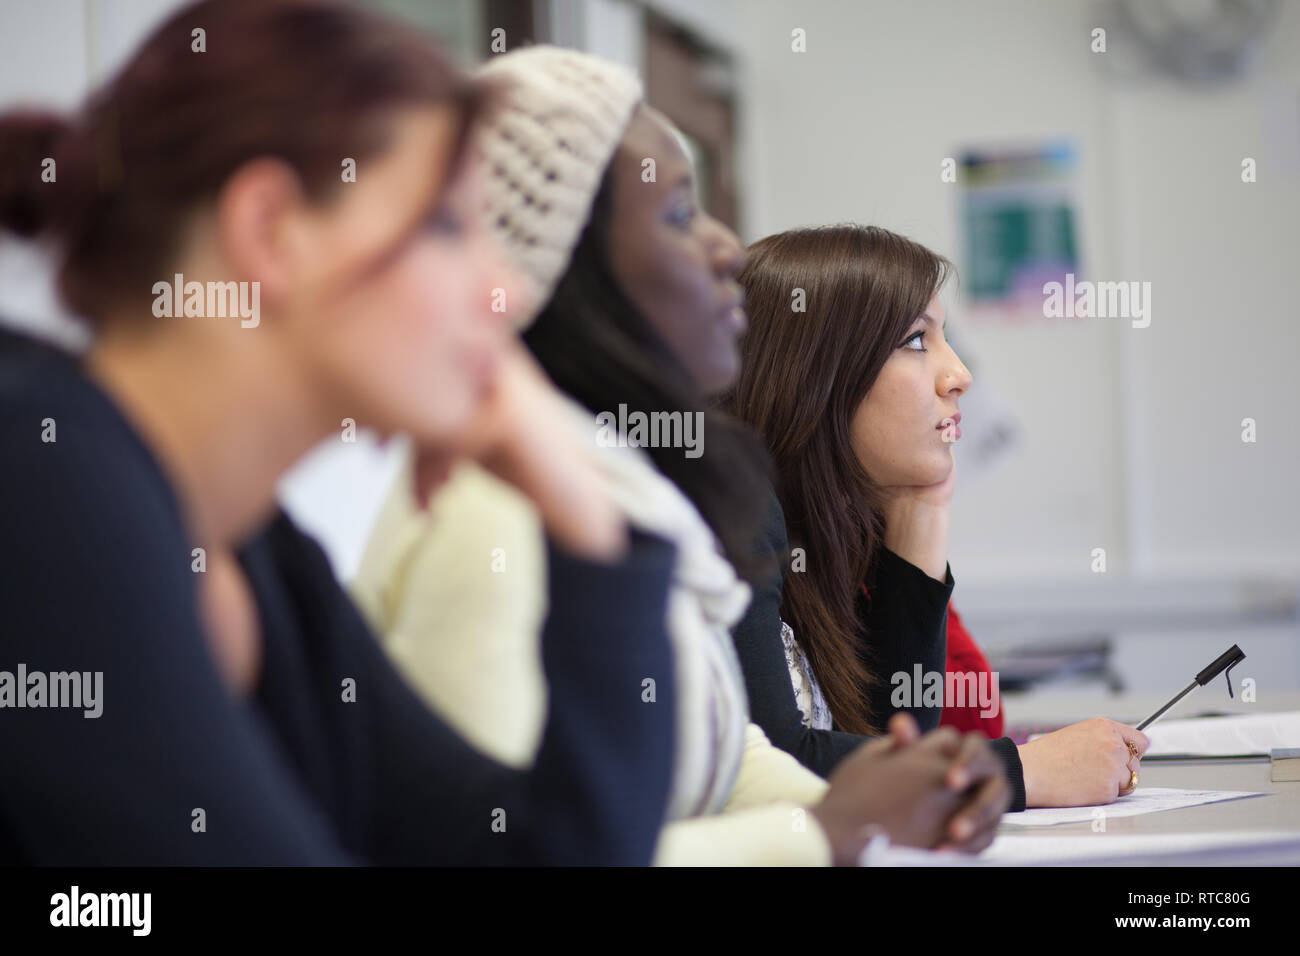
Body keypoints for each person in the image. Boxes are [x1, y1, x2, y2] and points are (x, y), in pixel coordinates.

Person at [0, 0, 679, 865]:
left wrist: (588, 527)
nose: (503, 292)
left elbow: (547, 854)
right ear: (270, 232)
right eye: (446, 227)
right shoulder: (41, 474)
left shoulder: (263, 556)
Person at [353, 47, 1010, 866]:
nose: (729, 247)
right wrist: (824, 831)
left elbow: (726, 766)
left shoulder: (633, 487)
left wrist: (912, 791)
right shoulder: (493, 515)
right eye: (676, 215)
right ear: (570, 270)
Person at [726, 223, 1149, 809]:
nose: (960, 375)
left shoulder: (834, 537)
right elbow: (771, 770)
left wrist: (923, 511)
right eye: (917, 341)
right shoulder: (734, 512)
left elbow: (891, 745)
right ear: (815, 374)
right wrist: (1015, 771)